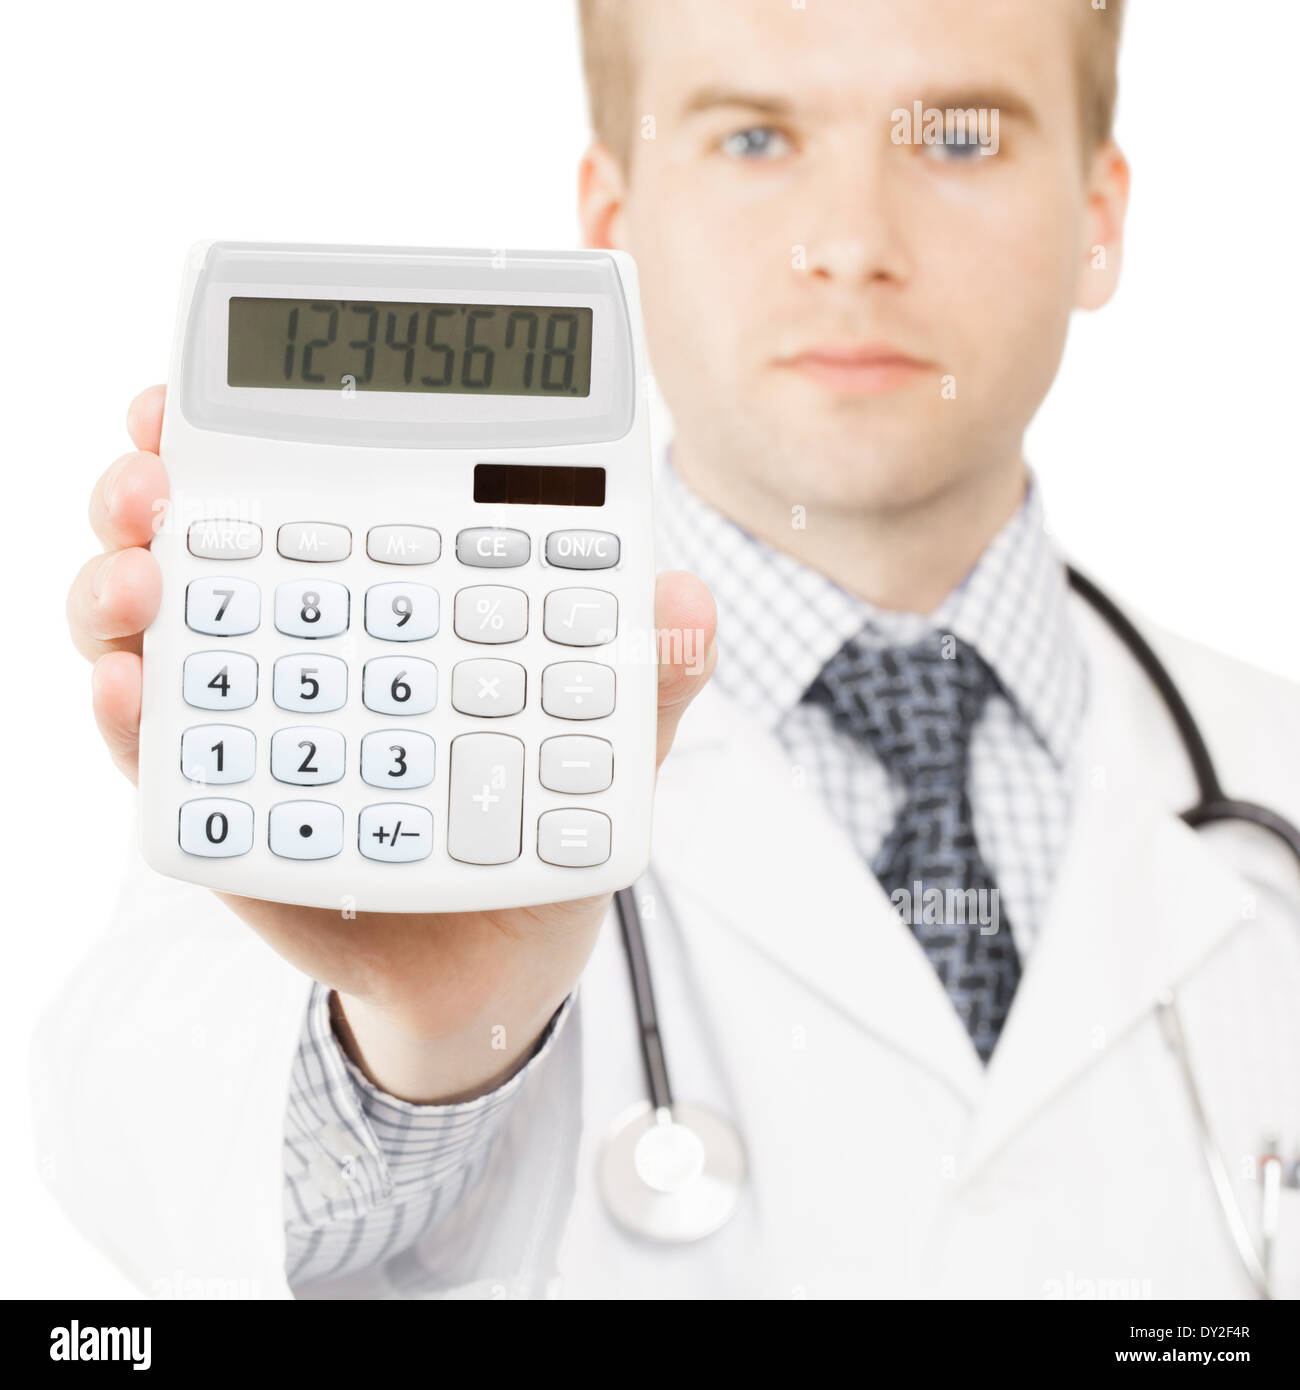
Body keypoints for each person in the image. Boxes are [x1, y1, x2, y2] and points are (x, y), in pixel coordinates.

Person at [44, 0, 1300, 1299]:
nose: (852, 244)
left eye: (960, 138)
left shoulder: (1278, 765)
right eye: (755, 138)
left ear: (1101, 215)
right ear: (613, 222)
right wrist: (430, 1033)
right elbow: (176, 1169)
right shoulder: (330, 741)